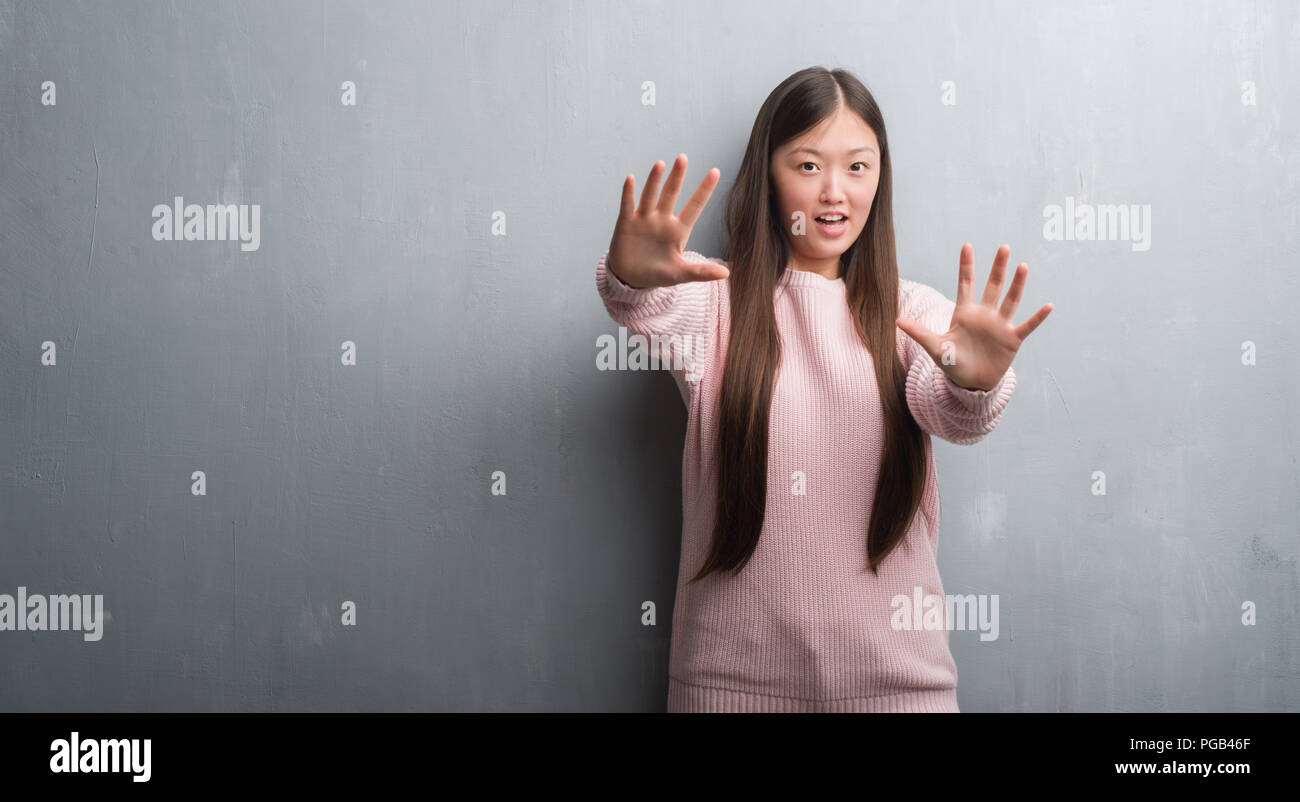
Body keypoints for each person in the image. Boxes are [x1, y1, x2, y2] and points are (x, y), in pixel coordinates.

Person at [595, 66, 1052, 712]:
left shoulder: (910, 314)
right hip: (730, 690)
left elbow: (953, 410)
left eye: (858, 167)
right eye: (807, 166)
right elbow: (644, 305)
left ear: (880, 179)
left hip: (901, 692)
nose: (834, 193)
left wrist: (975, 383)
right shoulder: (717, 305)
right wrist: (631, 276)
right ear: (768, 175)